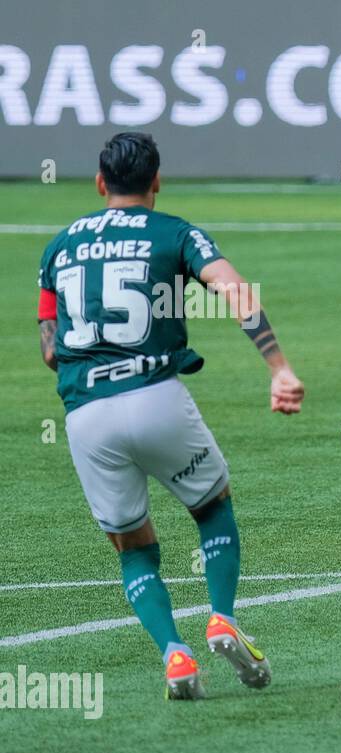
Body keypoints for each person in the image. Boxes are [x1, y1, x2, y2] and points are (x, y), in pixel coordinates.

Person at [36, 132, 305, 699]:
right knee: (212, 508)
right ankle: (222, 617)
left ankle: (175, 655)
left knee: (132, 547)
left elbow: (51, 348)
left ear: (99, 183)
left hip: (86, 413)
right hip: (156, 396)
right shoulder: (176, 232)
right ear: (157, 181)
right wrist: (277, 366)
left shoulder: (59, 247)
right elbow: (232, 289)